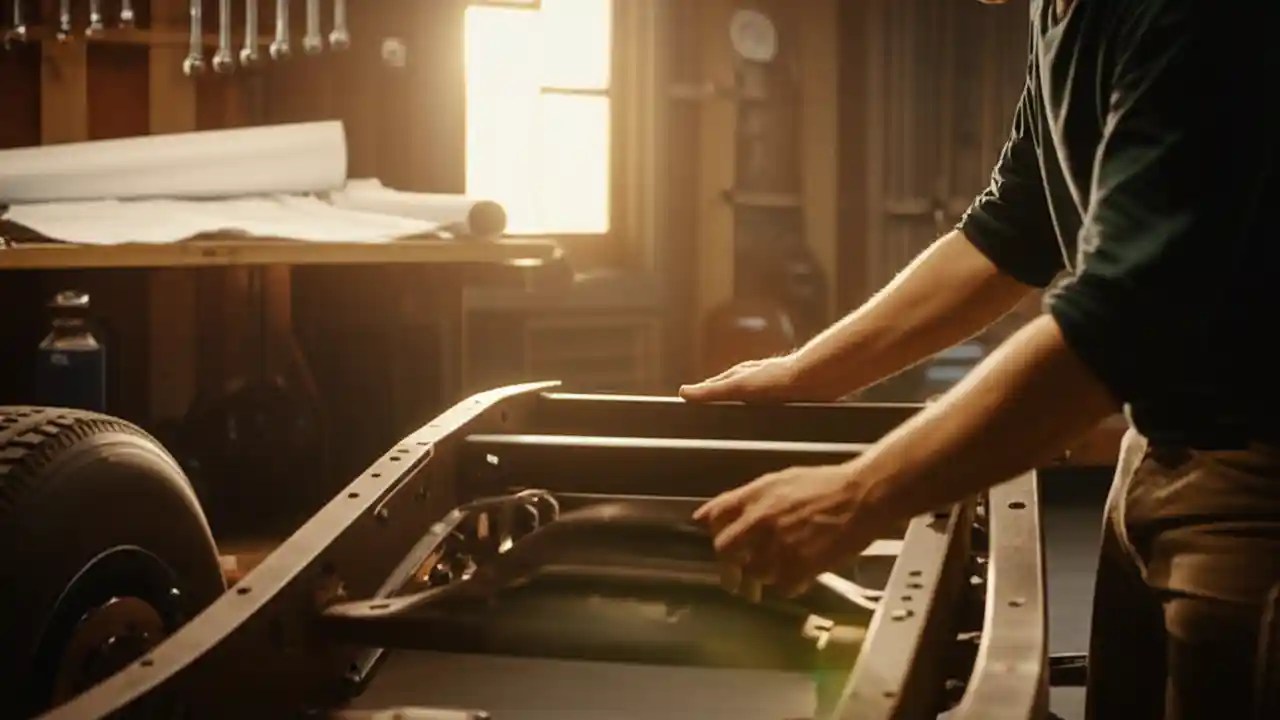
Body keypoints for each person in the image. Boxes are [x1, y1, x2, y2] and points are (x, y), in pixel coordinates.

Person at [679, 1, 1279, 718]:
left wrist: (859, 494)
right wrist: (808, 372)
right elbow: (1013, 224)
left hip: (1254, 482)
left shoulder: (1191, 17)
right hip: (1156, 448)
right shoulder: (1056, 9)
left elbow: (1130, 308)